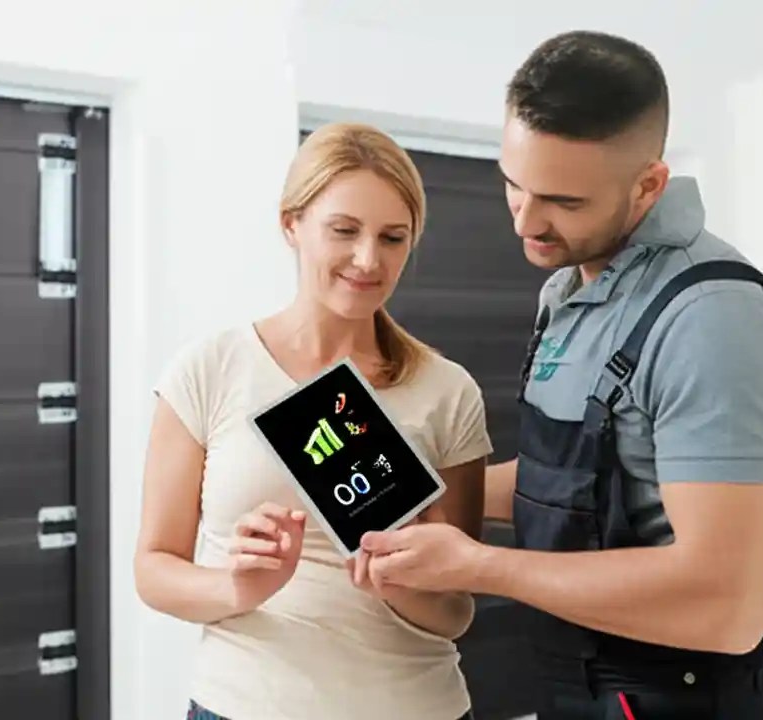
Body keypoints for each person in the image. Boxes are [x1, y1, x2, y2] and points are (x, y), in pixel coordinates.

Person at [356, 30, 763, 720]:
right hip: (578, 691)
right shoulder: (566, 291)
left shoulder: (717, 317)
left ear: (648, 184)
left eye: (564, 203)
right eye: (513, 185)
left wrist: (478, 564)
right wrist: (416, 484)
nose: (527, 222)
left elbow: (729, 605)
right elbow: (576, 483)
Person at [133, 122, 493, 720]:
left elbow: (457, 609)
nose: (367, 259)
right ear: (291, 224)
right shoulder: (210, 369)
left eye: (393, 238)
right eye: (344, 231)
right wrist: (238, 586)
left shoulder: (447, 390)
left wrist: (400, 584)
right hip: (242, 705)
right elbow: (154, 569)